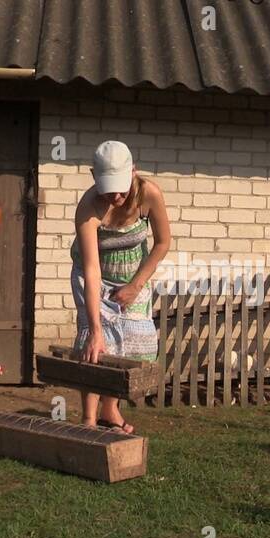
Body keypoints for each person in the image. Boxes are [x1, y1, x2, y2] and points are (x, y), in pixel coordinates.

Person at [70, 141, 171, 434]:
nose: (115, 196)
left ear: (134, 172)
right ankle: (88, 421)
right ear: (93, 176)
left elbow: (163, 242)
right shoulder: (88, 208)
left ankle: (110, 411)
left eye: (121, 188)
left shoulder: (149, 194)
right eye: (108, 188)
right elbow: (91, 269)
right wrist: (97, 328)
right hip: (95, 277)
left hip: (133, 277)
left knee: (132, 344)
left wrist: (136, 286)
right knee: (95, 347)